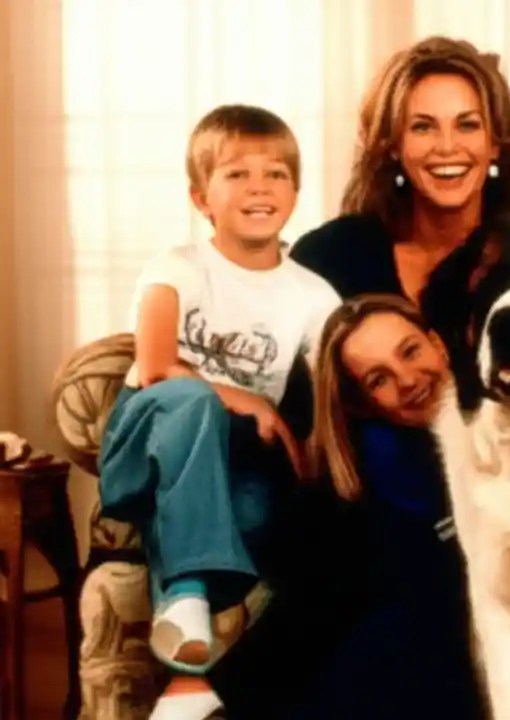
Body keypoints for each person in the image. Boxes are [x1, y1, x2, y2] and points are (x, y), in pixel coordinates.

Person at [97, 104, 340, 719]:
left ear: (297, 191)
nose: (260, 186)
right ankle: (187, 631)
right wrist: (247, 398)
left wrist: (317, 459)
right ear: (201, 196)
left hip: (225, 471)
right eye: (237, 174)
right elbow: (154, 367)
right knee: (191, 399)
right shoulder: (177, 267)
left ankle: (188, 675)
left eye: (277, 173)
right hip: (143, 446)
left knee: (253, 512)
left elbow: (336, 391)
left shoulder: (314, 296)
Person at [282, 293, 482, 719]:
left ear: (438, 343)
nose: (408, 380)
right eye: (379, 379)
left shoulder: (506, 413)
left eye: (410, 352)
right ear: (362, 403)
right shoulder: (381, 463)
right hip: (398, 672)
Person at [291, 36, 510, 302]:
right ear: (393, 146)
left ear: (495, 144)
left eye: (467, 125)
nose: (447, 147)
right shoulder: (330, 256)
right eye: (423, 127)